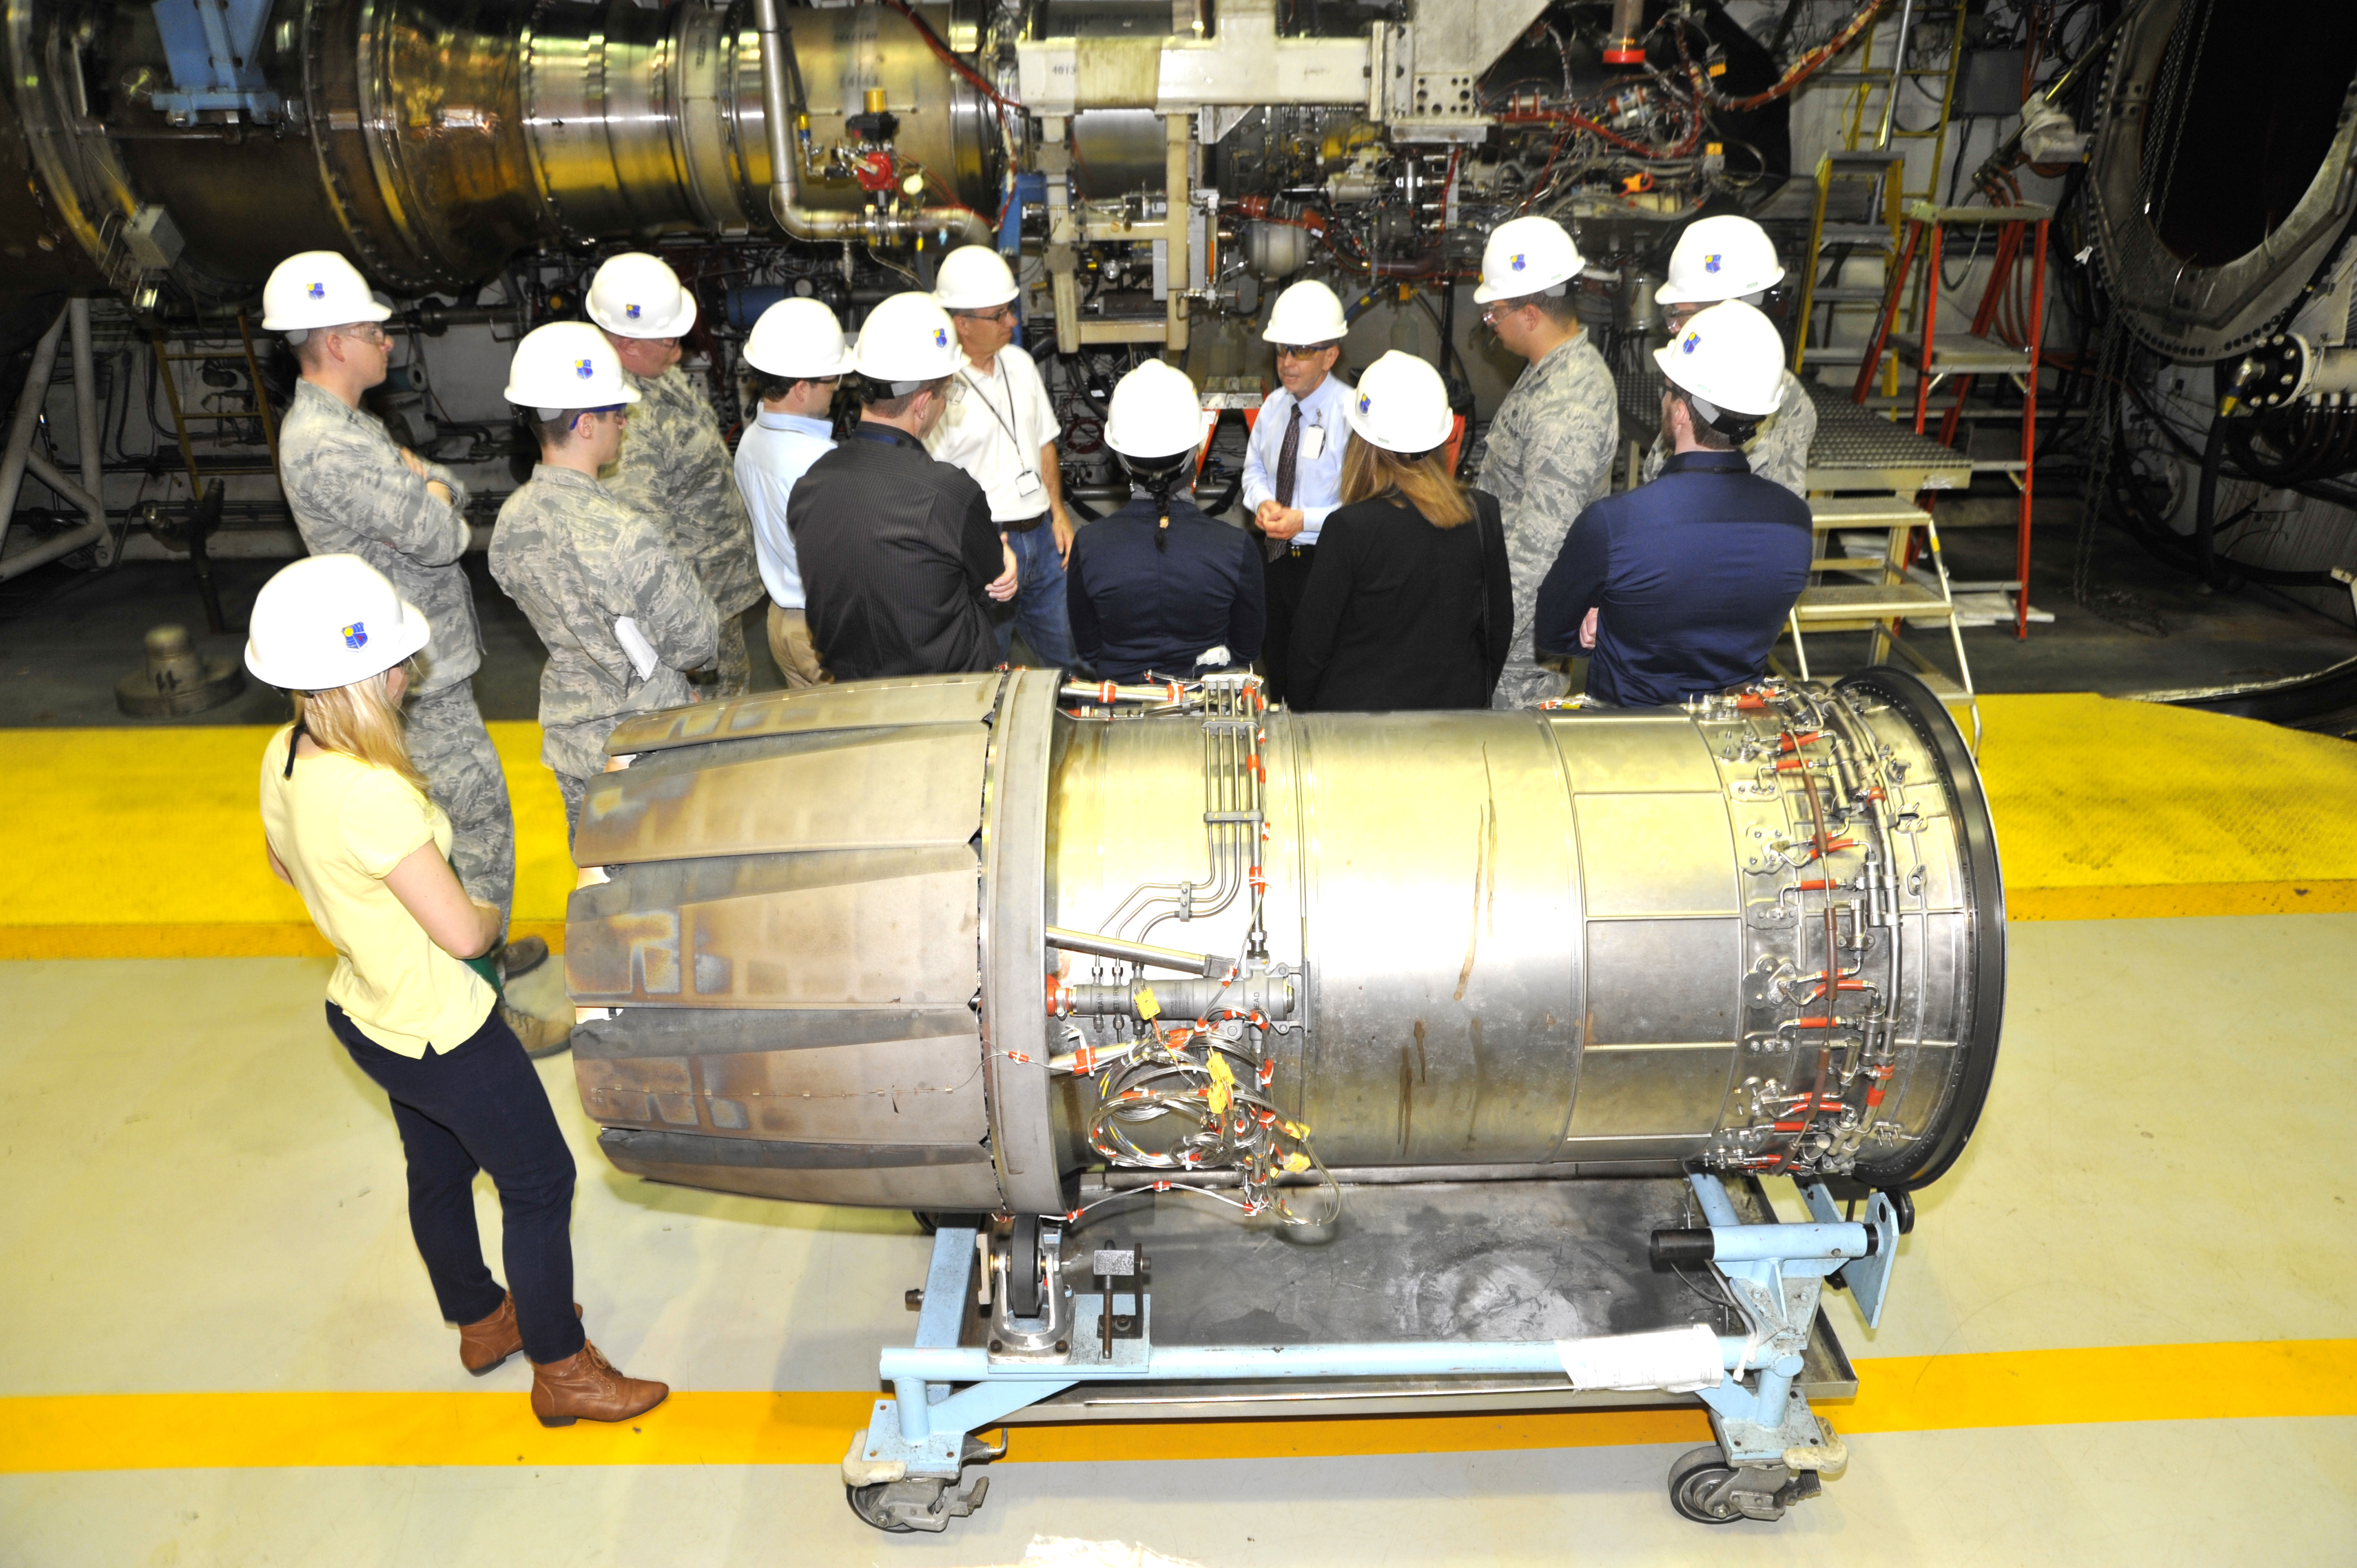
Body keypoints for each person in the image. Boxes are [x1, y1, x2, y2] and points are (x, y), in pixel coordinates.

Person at [248, 553, 667, 1428]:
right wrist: (478, 905)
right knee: (541, 1183)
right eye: (393, 661)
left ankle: (481, 1319)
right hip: (444, 1024)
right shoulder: (369, 794)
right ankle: (561, 1369)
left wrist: (362, 909)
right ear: (350, 677)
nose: (409, 671)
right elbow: (467, 936)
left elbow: (286, 867)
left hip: (369, 1009)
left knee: (438, 1169)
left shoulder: (283, 757)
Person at [263, 251, 545, 1003]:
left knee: (463, 824)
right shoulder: (327, 445)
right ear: (333, 343)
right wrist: (426, 493)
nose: (387, 344)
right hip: (404, 682)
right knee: (476, 827)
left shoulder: (350, 427)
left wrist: (428, 488)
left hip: (424, 667)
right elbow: (445, 534)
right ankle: (486, 1003)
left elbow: (442, 489)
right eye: (372, 332)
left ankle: (486, 957)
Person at [488, 323, 721, 842]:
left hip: (574, 740)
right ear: (587, 425)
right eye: (618, 414)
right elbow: (695, 642)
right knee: (660, 878)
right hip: (646, 741)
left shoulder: (512, 521)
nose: (625, 423)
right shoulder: (623, 533)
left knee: (600, 874)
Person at [1534, 301, 1812, 708]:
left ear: (1680, 412)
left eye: (1667, 390)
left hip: (1627, 742)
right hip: (1731, 747)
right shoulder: (1795, 521)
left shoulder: (1614, 524)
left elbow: (1552, 633)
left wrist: (1605, 623)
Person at [788, 292, 1018, 679]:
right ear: (923, 402)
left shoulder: (810, 484)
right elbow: (990, 585)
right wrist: (1005, 559)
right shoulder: (950, 495)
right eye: (947, 394)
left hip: (852, 693)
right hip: (947, 697)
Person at [1287, 352, 1511, 711]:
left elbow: (1310, 649)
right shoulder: (1482, 514)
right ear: (1445, 435)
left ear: (1361, 440)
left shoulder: (1350, 529)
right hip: (1456, 731)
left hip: (1360, 738)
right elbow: (1496, 631)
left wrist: (1304, 720)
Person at [587, 252, 764, 698]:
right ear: (627, 345)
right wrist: (682, 647)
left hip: (717, 600)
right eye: (668, 343)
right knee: (712, 734)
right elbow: (646, 551)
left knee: (734, 717)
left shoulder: (656, 374)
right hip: (691, 615)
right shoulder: (622, 420)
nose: (680, 352)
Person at [1471, 216, 1619, 709]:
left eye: (1495, 315)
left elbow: (1540, 544)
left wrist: (1483, 632)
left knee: (1510, 765)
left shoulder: (1567, 404)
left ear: (1530, 315)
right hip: (1507, 610)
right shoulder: (1549, 372)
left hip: (1517, 645)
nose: (1491, 326)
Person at [925, 245, 1078, 669]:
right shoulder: (936, 389)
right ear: (963, 324)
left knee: (1069, 661)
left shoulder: (1021, 363)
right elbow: (934, 485)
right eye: (1000, 315)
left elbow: (1045, 441)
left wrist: (1059, 512)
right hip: (986, 550)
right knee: (986, 672)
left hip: (1043, 541)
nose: (1012, 321)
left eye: (1011, 310)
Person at [1066, 359, 1264, 682]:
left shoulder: (1088, 546)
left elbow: (1089, 650)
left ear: (1121, 457)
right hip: (1207, 712)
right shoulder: (1237, 549)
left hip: (1118, 708)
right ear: (1196, 451)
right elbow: (1246, 650)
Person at [1640, 214, 1816, 498]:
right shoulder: (1704, 380)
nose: (1673, 329)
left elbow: (1751, 523)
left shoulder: (1758, 400)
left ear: (1724, 313)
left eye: (1680, 315)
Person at [1240, 279, 1353, 703]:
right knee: (1279, 665)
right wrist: (1263, 502)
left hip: (1325, 566)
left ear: (1330, 355)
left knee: (1321, 676)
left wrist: (1304, 520)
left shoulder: (1352, 415)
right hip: (1274, 560)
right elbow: (1253, 470)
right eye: (1282, 349)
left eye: (1301, 351)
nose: (1287, 362)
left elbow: (1364, 507)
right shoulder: (1273, 408)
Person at [734, 298, 851, 687]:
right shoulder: (818, 462)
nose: (836, 389)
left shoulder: (750, 441)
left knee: (812, 740)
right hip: (821, 628)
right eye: (830, 381)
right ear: (801, 388)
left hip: (780, 623)